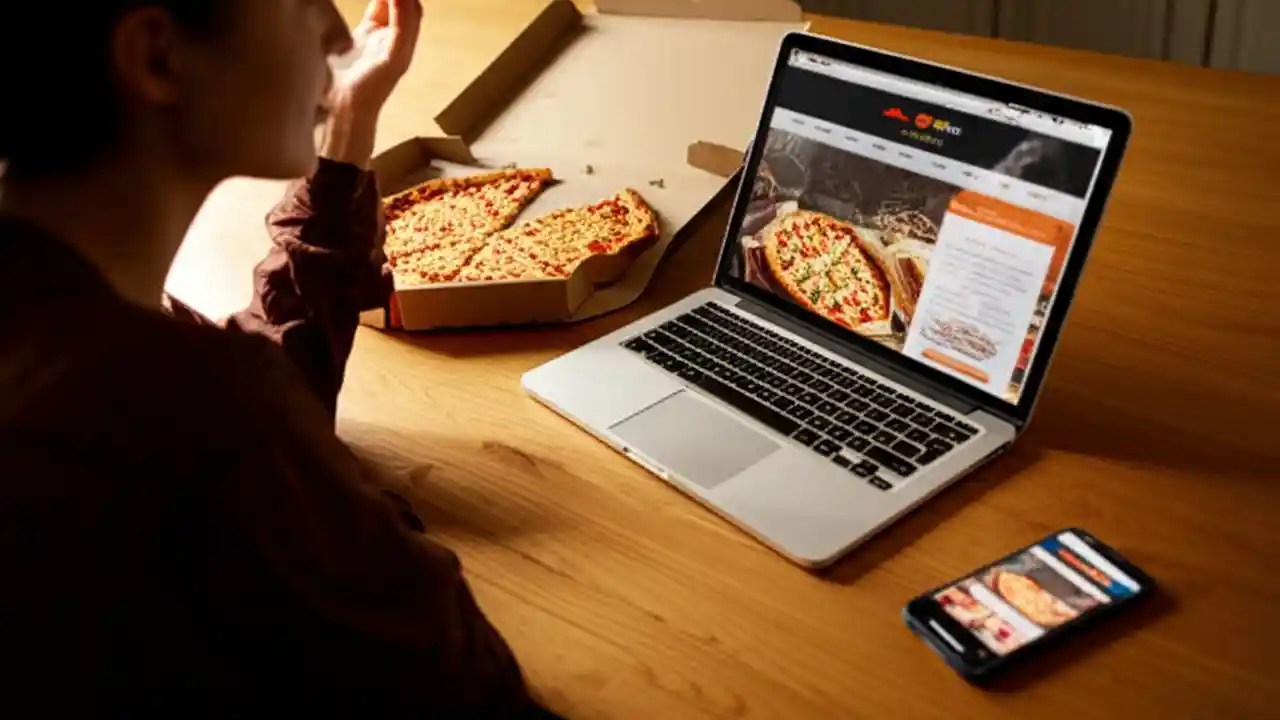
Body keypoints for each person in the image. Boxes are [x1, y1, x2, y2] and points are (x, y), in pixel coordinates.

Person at [0, 1, 555, 716]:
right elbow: (472, 689)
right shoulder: (197, 408)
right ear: (158, 57)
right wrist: (373, 523)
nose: (334, 32)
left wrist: (347, 122)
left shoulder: (67, 315)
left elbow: (256, 422)